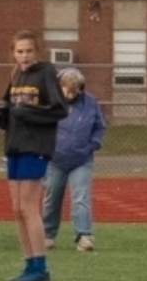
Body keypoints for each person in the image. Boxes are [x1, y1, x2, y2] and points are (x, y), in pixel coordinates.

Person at [0, 31, 68, 281]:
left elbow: (59, 109)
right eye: (19, 51)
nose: (24, 56)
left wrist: (30, 113)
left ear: (38, 52)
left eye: (28, 51)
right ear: (13, 53)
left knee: (28, 206)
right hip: (14, 144)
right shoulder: (16, 74)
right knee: (16, 209)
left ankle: (40, 267)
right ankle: (28, 263)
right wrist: (0, 115)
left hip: (34, 146)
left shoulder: (46, 72)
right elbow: (10, 106)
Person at [42, 68, 106, 254]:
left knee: (80, 197)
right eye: (66, 90)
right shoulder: (50, 103)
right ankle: (48, 234)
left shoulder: (90, 103)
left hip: (82, 160)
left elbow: (99, 126)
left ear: (80, 88)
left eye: (74, 91)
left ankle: (84, 235)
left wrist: (92, 145)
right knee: (51, 198)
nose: (70, 94)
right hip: (54, 160)